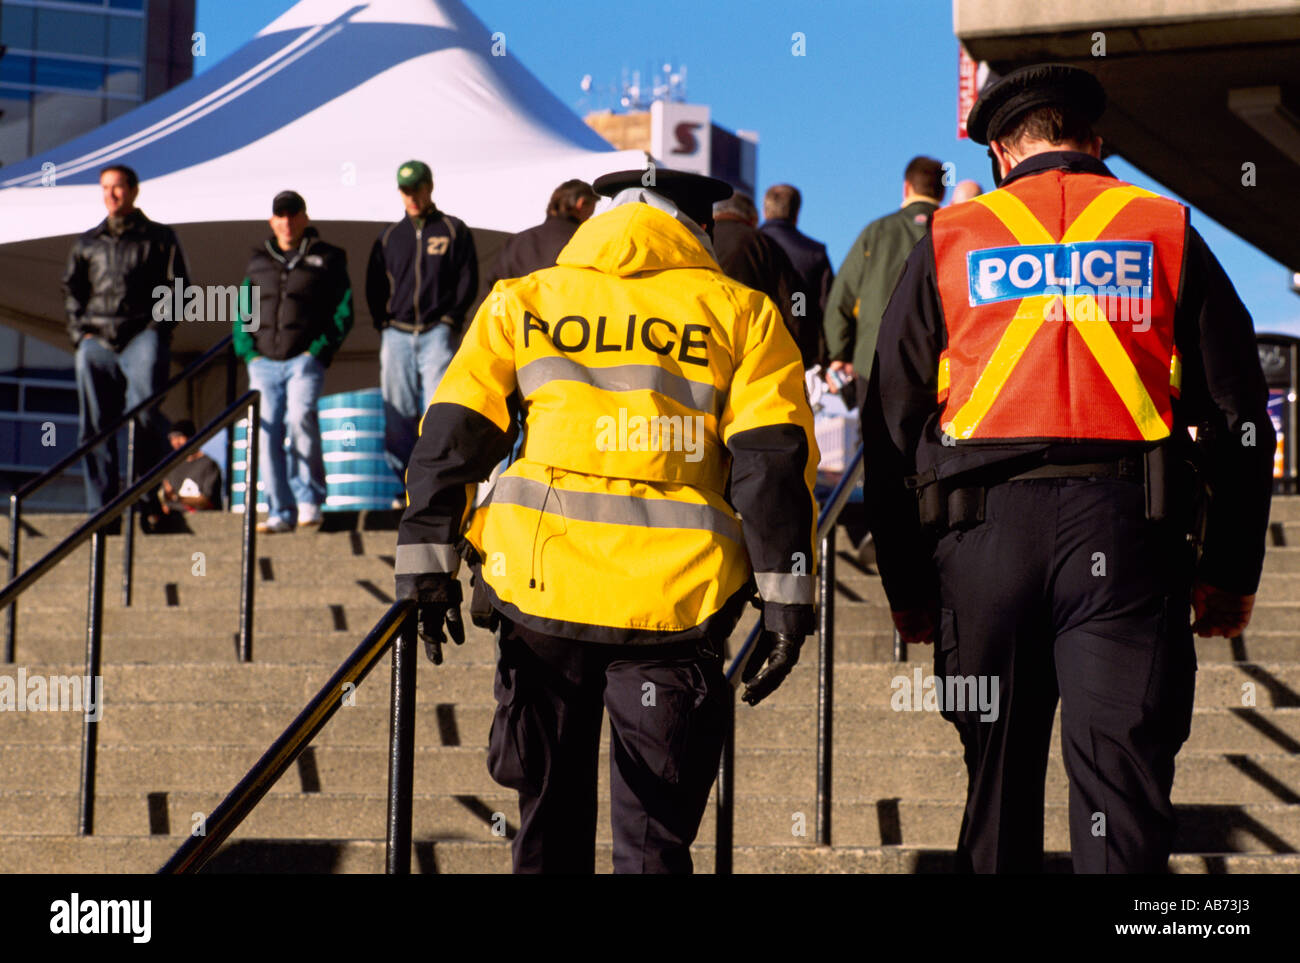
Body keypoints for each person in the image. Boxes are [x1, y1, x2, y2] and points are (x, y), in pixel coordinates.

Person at [860, 63, 1274, 874]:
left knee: (997, 792)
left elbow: (889, 426)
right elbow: (1239, 420)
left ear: (1003, 153)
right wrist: (1228, 569)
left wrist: (908, 586)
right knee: (1121, 803)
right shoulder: (1164, 228)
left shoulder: (948, 240)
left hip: (980, 542)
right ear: (1095, 141)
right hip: (1130, 535)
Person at [393, 168, 820, 874]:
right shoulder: (741, 313)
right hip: (676, 602)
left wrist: (425, 564)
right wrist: (787, 596)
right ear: (700, 229)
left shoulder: (525, 298)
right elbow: (771, 463)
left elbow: (453, 436)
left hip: (539, 590)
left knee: (547, 823)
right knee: (653, 840)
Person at [62, 164, 188, 530]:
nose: (111, 194)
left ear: (133, 191)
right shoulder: (88, 242)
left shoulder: (160, 238)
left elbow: (180, 288)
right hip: (97, 339)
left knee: (144, 417)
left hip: (141, 335)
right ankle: (101, 508)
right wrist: (79, 334)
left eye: (117, 187)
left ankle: (142, 496)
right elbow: (71, 289)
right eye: (104, 188)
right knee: (95, 427)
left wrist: (157, 330)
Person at [233, 190, 352, 533]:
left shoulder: (327, 257)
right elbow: (245, 308)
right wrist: (248, 351)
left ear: (304, 217)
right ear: (272, 221)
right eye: (280, 215)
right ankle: (279, 510)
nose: (286, 222)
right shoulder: (258, 260)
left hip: (303, 360)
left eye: (293, 214)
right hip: (263, 362)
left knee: (301, 418)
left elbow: (343, 309)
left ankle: (308, 500)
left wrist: (317, 350)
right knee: (266, 431)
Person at [365, 161, 478, 488]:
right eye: (406, 190)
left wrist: (450, 319)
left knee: (438, 411)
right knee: (397, 414)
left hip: (436, 334)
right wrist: (382, 322)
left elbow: (467, 278)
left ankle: (436, 483)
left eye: (417, 188)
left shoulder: (453, 229)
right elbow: (374, 284)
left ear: (430, 187)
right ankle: (406, 484)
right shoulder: (389, 237)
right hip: (397, 334)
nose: (412, 196)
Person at [825, 156, 945, 408]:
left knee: (876, 445)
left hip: (874, 363)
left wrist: (840, 354)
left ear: (906, 187)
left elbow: (840, 299)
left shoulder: (876, 232)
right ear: (943, 190)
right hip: (938, 369)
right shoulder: (954, 229)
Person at [711, 191, 809, 367]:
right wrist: (800, 340)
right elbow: (795, 296)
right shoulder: (764, 245)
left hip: (697, 340)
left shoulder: (696, 240)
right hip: (750, 348)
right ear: (752, 218)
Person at [479, 178, 598, 297]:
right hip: (565, 313)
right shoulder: (584, 239)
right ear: (581, 204)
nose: (591, 214)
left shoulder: (519, 240)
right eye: (593, 206)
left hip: (514, 312)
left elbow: (492, 285)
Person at [759, 183, 834, 369]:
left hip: (756, 346)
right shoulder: (814, 252)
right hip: (801, 353)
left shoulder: (750, 248)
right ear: (797, 212)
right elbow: (827, 308)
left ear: (764, 210)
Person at [158, 420, 223, 520]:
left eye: (179, 437)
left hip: (205, 522)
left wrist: (176, 498)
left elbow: (207, 502)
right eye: (172, 438)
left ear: (192, 438)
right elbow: (165, 498)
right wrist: (164, 500)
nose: (175, 442)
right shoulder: (171, 466)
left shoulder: (209, 464)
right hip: (175, 521)